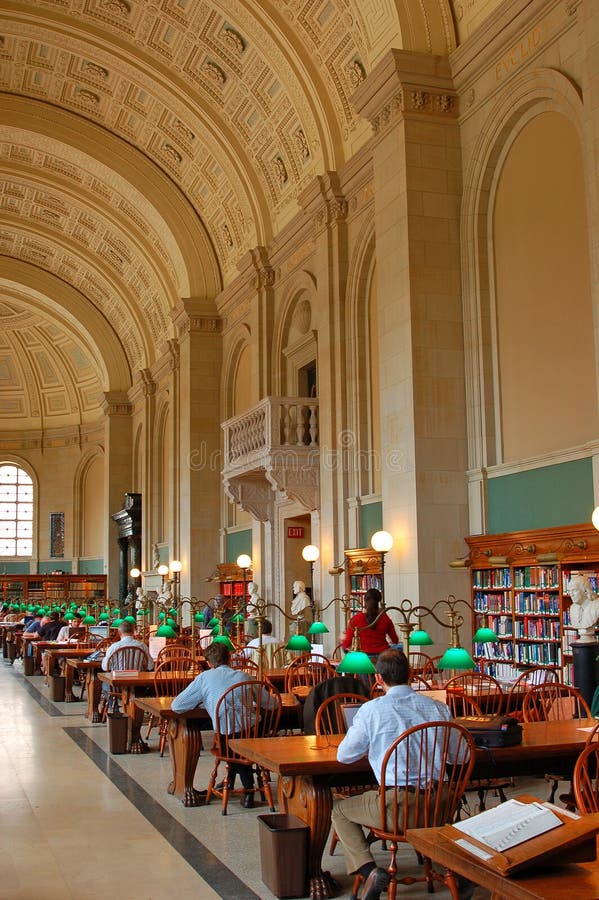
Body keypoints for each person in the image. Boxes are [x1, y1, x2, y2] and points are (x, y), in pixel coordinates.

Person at [331, 649, 453, 900]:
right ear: (410, 675)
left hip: (398, 808)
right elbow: (459, 756)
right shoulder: (438, 709)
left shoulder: (371, 710)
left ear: (378, 678)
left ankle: (368, 870)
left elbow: (344, 756)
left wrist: (372, 749)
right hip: (440, 805)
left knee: (339, 811)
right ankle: (455, 873)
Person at [172, 641, 262, 807]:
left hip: (224, 737)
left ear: (208, 663)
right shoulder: (245, 676)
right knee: (241, 743)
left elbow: (177, 706)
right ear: (230, 659)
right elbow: (271, 704)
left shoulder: (204, 678)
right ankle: (241, 787)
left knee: (233, 744)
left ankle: (246, 789)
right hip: (253, 734)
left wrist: (203, 701)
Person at [341, 588, 398, 659]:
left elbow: (347, 643)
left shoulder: (356, 619)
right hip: (383, 658)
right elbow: (395, 640)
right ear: (379, 601)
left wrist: (342, 640)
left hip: (363, 659)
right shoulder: (385, 618)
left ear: (364, 601)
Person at [568, 574, 599, 642]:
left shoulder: (597, 605)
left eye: (574, 590)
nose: (571, 594)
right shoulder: (573, 608)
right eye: (569, 591)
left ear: (585, 590)